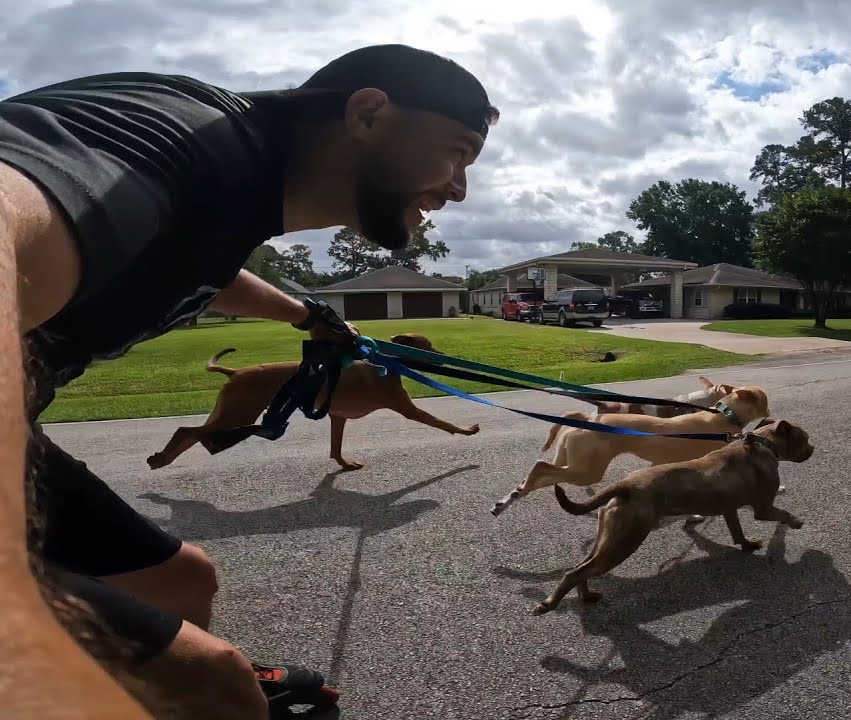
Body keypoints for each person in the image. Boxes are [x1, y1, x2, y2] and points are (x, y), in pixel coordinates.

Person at [0, 44, 497, 719]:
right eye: (458, 152)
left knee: (179, 580)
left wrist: (309, 315)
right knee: (212, 681)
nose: (458, 188)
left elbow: (202, 268)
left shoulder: (227, 193)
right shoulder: (168, 140)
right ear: (369, 115)